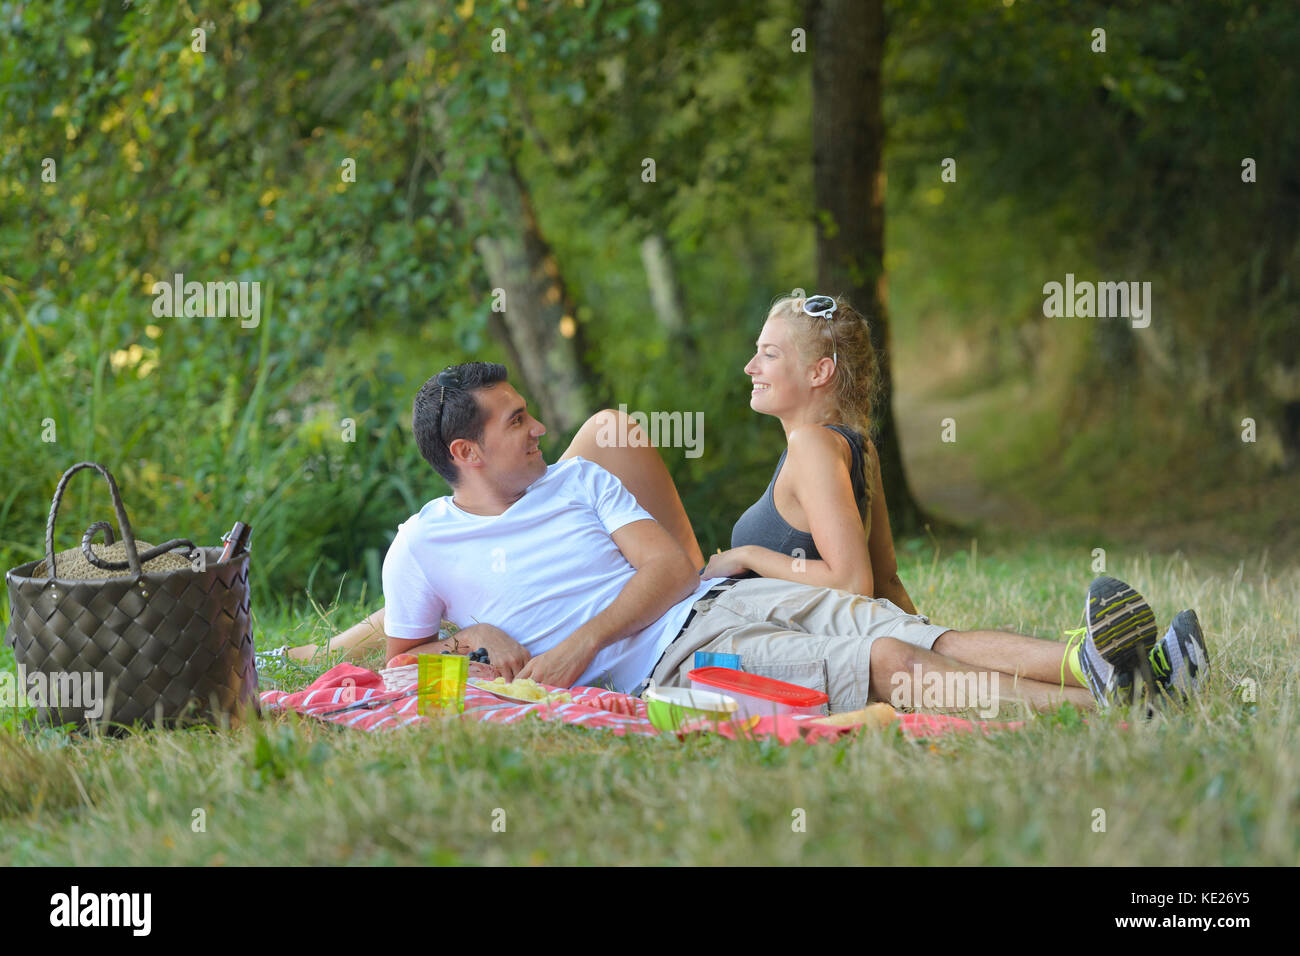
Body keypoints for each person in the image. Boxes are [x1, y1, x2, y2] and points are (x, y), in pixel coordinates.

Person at [372, 358, 1206, 713]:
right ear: (465, 452)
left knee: (912, 630)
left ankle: (1100, 669)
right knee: (887, 666)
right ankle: (1116, 711)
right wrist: (472, 637)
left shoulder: (578, 481)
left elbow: (669, 570)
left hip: (719, 601)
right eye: (517, 422)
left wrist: (574, 645)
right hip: (679, 664)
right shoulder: (420, 549)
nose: (539, 427)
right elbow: (402, 669)